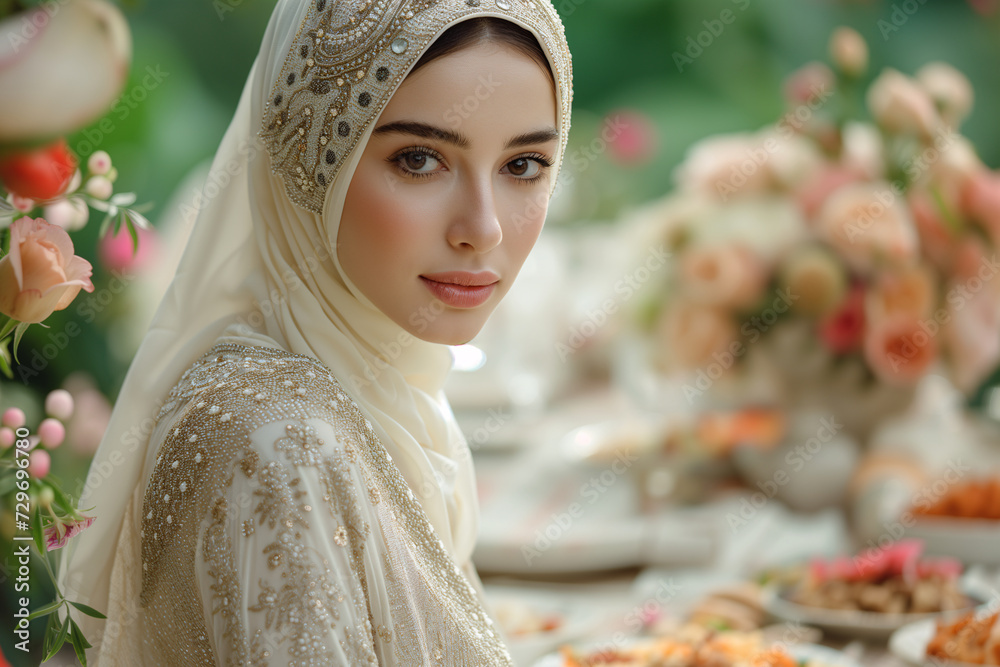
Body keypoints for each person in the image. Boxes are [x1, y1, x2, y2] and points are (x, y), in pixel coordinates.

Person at [57, 0, 573, 664]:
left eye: (523, 165)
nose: (484, 228)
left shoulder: (376, 386)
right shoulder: (278, 445)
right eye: (419, 159)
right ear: (311, 161)